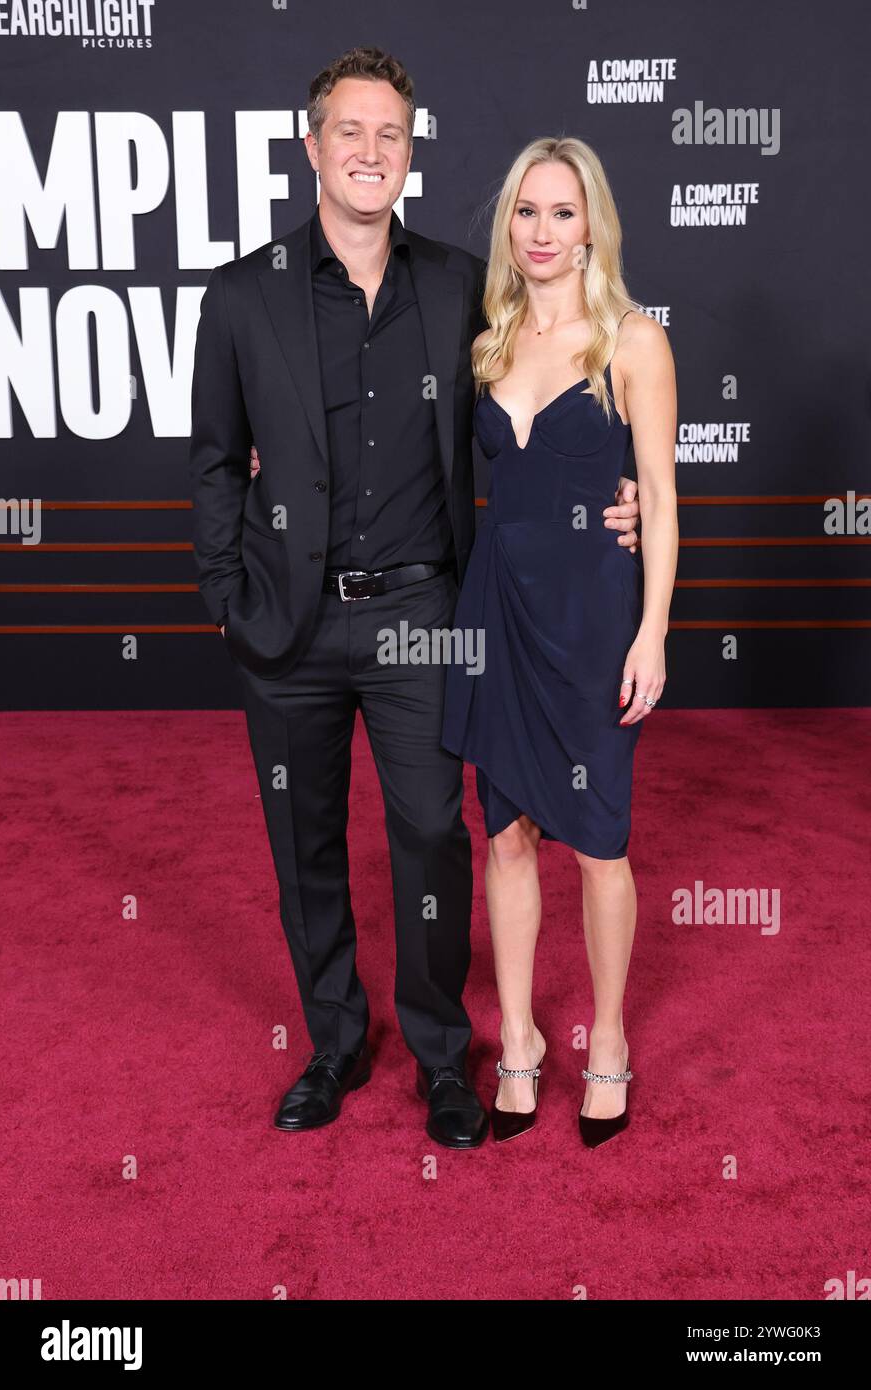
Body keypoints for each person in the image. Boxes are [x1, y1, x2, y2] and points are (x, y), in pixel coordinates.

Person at [189, 49, 641, 1149]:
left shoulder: (458, 291)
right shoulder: (241, 295)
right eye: (350, 132)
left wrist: (614, 496)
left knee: (435, 835)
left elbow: (549, 396)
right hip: (285, 623)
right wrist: (227, 599)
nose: (370, 152)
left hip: (420, 617)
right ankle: (336, 1044)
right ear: (311, 147)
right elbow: (212, 461)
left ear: (409, 153)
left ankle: (445, 1055)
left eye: (390, 135)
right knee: (305, 845)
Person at [441, 137, 678, 1147]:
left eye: (562, 213)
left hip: (591, 621)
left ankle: (610, 1041)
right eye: (526, 212)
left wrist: (654, 633)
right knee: (501, 833)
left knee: (597, 845)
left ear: (593, 227)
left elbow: (660, 499)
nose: (541, 231)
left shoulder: (632, 340)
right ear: (510, 225)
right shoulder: (487, 339)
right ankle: (522, 1042)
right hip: (496, 612)